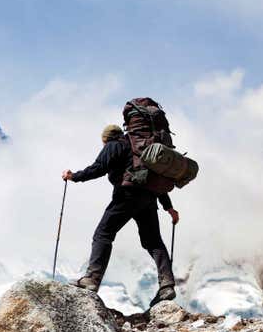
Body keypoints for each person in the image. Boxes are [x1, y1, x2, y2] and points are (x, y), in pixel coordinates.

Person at [62, 124, 178, 306]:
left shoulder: (113, 145)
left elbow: (98, 168)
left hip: (126, 196)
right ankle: (167, 285)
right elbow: (153, 181)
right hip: (148, 199)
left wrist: (74, 176)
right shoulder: (140, 150)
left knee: (103, 234)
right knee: (153, 241)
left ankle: (92, 279)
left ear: (105, 139)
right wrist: (169, 208)